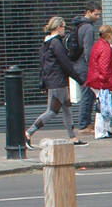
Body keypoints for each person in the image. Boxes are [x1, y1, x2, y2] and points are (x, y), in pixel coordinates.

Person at [25, 16, 85, 146]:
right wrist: (80, 79)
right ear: (58, 27)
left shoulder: (45, 44)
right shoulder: (56, 43)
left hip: (53, 81)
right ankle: (28, 133)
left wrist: (43, 82)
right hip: (58, 82)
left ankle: (73, 138)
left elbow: (43, 65)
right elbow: (65, 64)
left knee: (67, 109)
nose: (64, 30)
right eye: (63, 27)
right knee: (52, 111)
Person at [85, 23, 112, 138]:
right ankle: (101, 131)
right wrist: (104, 82)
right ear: (109, 34)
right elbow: (104, 66)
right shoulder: (105, 48)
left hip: (96, 80)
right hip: (102, 82)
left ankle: (105, 129)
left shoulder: (99, 45)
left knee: (107, 105)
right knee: (106, 106)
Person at [71, 1, 102, 134]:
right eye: (96, 14)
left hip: (77, 64)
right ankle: (84, 125)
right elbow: (88, 50)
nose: (98, 17)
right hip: (84, 66)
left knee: (86, 93)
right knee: (87, 94)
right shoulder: (88, 28)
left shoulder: (79, 25)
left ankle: (85, 123)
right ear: (88, 12)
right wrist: (93, 66)